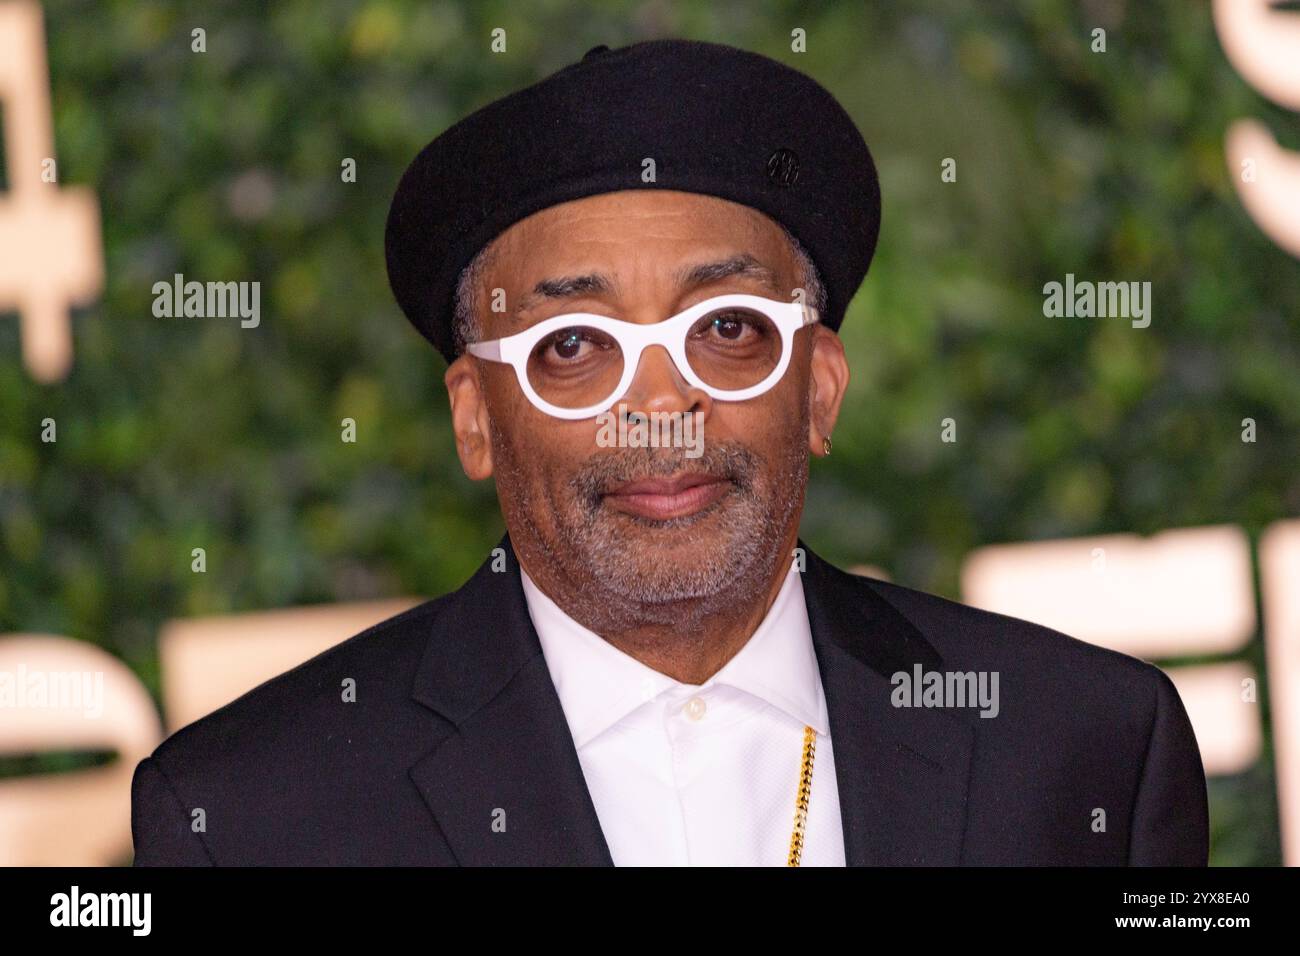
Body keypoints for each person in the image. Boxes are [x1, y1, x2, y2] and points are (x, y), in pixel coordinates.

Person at [131, 38, 1208, 866]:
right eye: (572, 346)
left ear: (818, 388)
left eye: (726, 328)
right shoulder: (256, 814)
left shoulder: (1083, 744)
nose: (660, 406)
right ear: (473, 417)